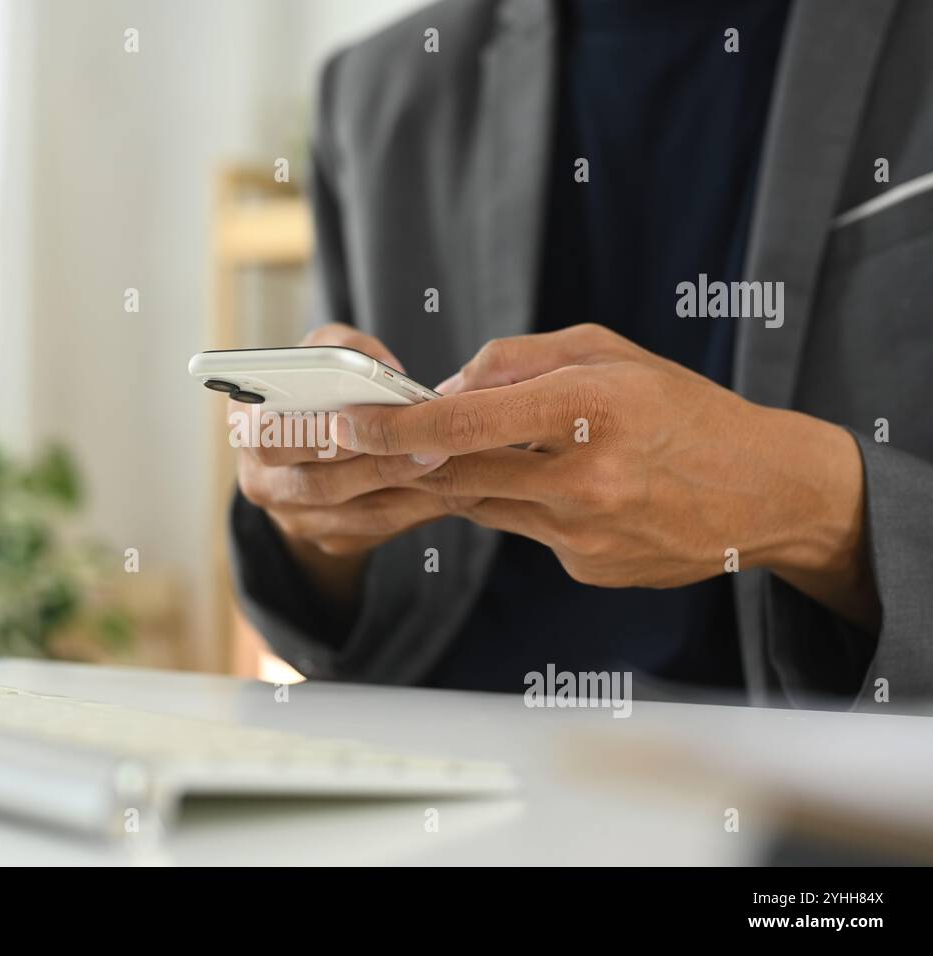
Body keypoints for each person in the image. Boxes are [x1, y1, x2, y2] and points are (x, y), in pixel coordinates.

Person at [227, 0, 933, 709]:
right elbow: (329, 611)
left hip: (821, 781)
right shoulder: (376, 89)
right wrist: (315, 518)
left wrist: (805, 504)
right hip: (441, 755)